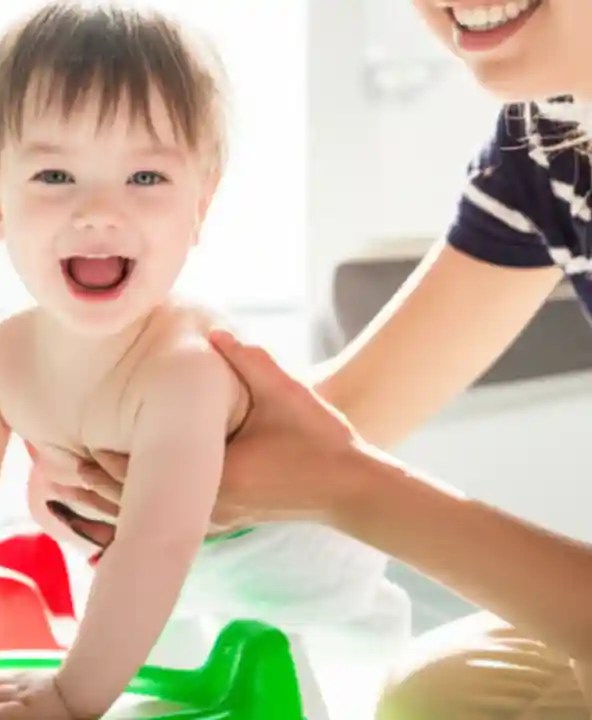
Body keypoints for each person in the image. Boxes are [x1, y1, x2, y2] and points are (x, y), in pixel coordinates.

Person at [36, 1, 592, 716]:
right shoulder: (548, 144)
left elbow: (337, 457)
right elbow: (351, 409)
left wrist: (347, 487)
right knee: (435, 696)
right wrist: (156, 442)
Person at [0, 3, 406, 719]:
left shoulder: (185, 368)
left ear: (201, 203)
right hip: (148, 576)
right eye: (56, 176)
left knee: (313, 689)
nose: (99, 212)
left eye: (146, 180)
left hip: (294, 573)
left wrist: (72, 696)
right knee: (154, 678)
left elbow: (158, 546)